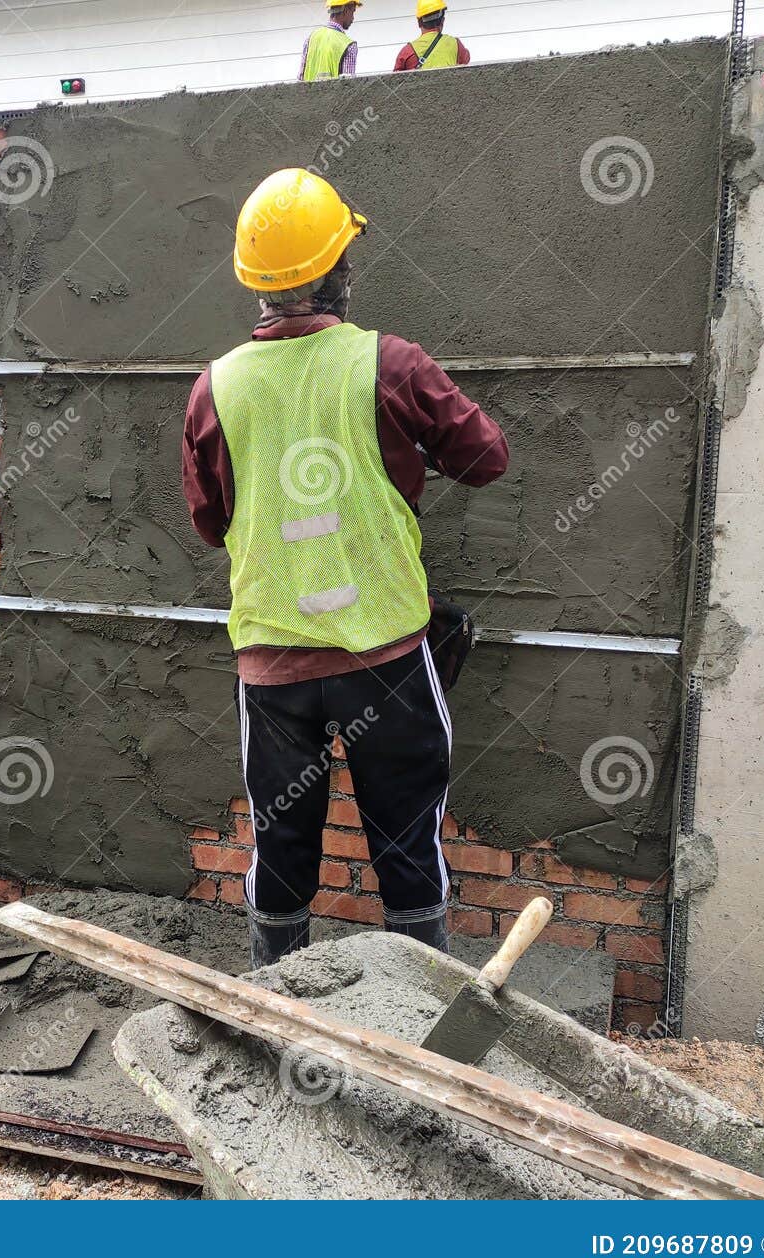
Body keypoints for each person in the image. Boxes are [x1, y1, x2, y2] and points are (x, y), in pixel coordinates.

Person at [181, 169, 509, 968]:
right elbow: (487, 459)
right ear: (340, 274)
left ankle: (275, 1005)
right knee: (405, 843)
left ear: (255, 286)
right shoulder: (390, 366)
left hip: (274, 661)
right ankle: (419, 1011)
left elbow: (211, 523)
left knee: (282, 844)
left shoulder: (214, 388)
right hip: (385, 658)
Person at [393, 0, 471, 71]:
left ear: (419, 23)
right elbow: (465, 61)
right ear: (442, 21)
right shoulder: (456, 45)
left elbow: (394, 81)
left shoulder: (407, 52)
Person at [299, 1, 361, 81]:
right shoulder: (349, 45)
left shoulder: (311, 38)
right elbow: (348, 85)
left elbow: (300, 78)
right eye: (352, 12)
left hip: (308, 93)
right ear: (345, 11)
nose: (353, 18)